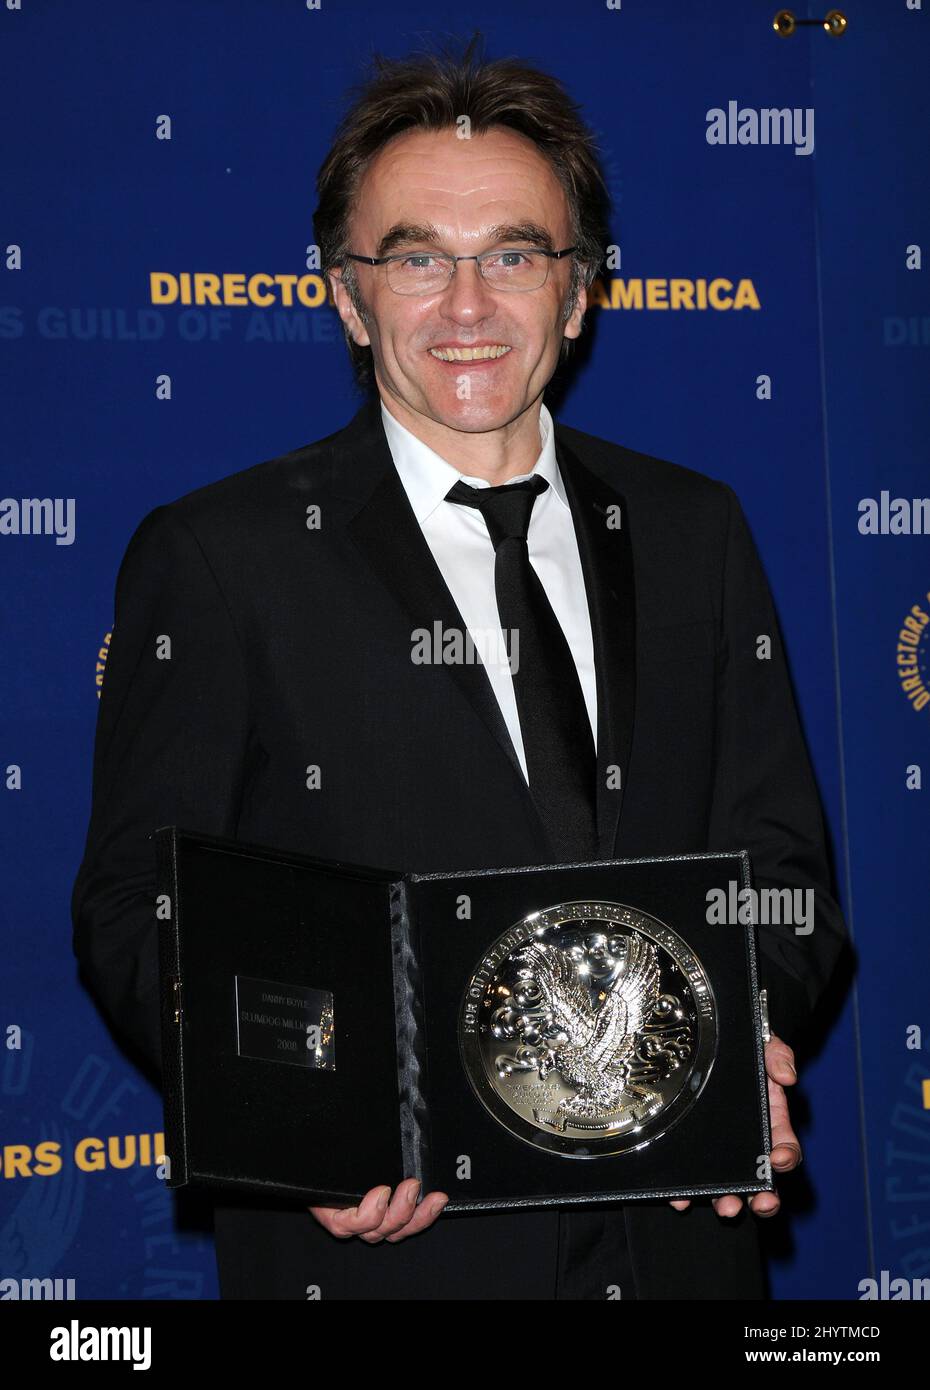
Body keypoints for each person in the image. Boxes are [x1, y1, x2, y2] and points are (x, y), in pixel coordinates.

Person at [71, 40, 848, 1300]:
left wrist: (742, 1040)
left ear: (580, 290)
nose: (468, 306)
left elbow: (781, 865)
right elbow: (137, 908)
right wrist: (292, 1120)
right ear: (345, 293)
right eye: (418, 257)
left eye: (515, 256)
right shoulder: (221, 557)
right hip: (393, 1257)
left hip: (672, 1246)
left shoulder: (692, 528)